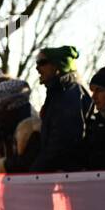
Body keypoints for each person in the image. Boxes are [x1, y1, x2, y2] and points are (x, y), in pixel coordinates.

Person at [30, 45, 91, 173]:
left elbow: (62, 142)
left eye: (42, 63)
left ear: (58, 66)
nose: (37, 68)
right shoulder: (58, 92)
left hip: (69, 176)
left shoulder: (69, 94)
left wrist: (35, 172)